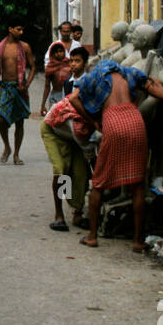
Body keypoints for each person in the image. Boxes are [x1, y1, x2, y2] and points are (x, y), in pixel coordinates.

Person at [69, 60, 163, 252]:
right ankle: (138, 241)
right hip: (135, 120)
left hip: (112, 121)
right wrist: (157, 80)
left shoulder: (93, 77)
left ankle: (92, 237)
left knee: (98, 181)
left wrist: (94, 121)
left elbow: (73, 99)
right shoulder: (130, 73)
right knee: (137, 183)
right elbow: (161, 94)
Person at [40, 93, 95, 232]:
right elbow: (89, 152)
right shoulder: (76, 122)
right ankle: (59, 215)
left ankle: (77, 213)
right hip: (53, 130)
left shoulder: (92, 110)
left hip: (71, 135)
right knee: (62, 170)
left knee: (81, 173)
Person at [0, 19, 36, 165]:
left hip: (20, 88)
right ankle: (7, 147)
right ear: (10, 29)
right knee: (1, 119)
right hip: (5, 87)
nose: (21, 32)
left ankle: (16, 154)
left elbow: (33, 67)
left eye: (22, 29)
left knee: (19, 122)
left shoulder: (25, 47)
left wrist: (26, 85)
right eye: (18, 29)